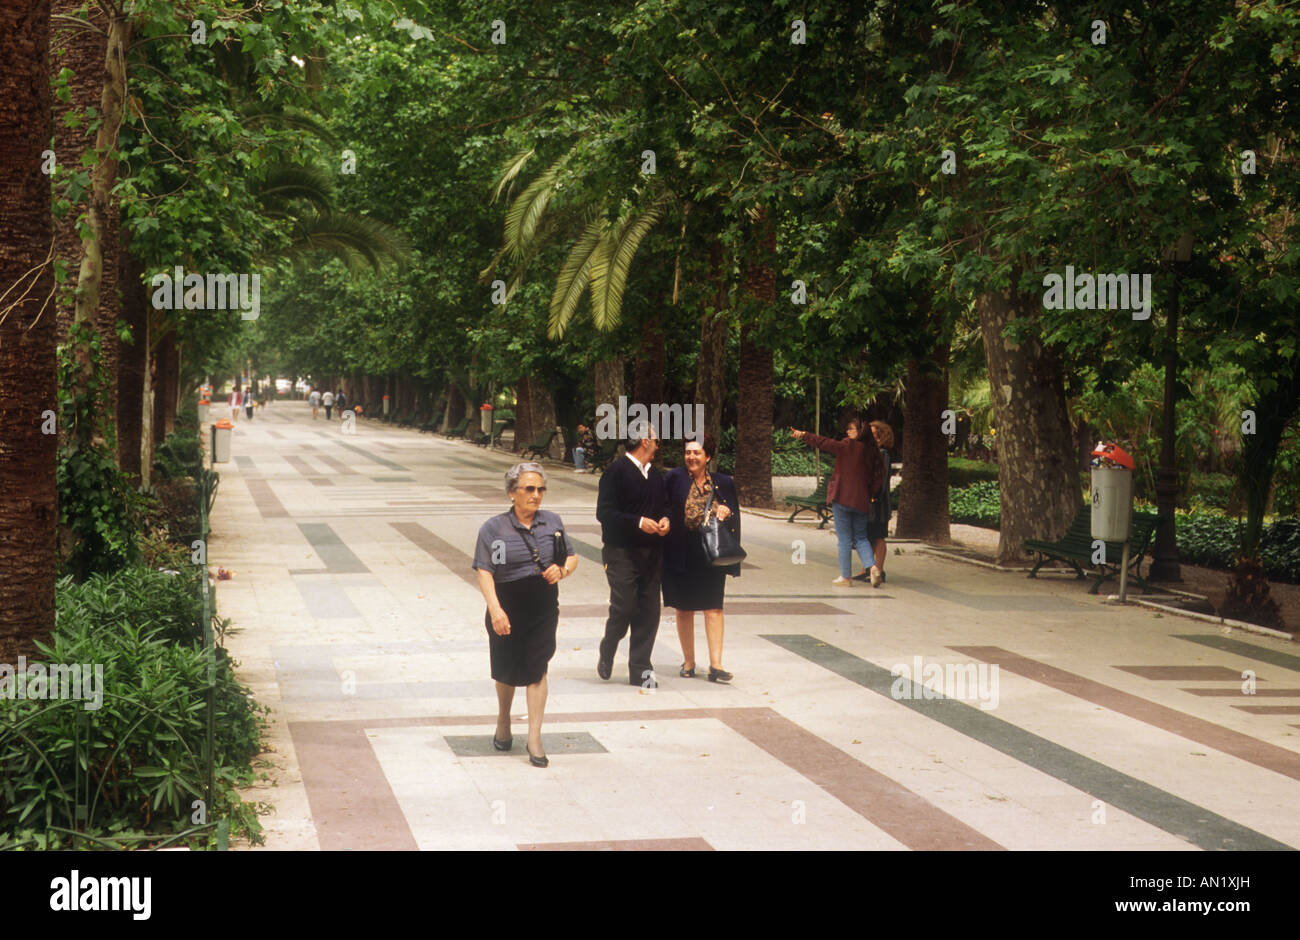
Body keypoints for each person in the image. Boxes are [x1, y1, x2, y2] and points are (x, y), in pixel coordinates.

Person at [472, 462, 577, 768]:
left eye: (540, 489)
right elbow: (485, 571)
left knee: (537, 667)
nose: (536, 495)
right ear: (511, 493)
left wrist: (563, 570)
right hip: (507, 602)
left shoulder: (552, 522)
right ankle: (504, 719)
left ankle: (534, 736)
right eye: (529, 489)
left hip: (543, 605)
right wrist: (495, 610)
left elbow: (570, 556)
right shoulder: (494, 528)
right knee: (506, 668)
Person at [595, 423, 669, 686]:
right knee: (625, 606)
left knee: (649, 612)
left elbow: (665, 507)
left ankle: (641, 671)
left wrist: (665, 520)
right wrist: (638, 522)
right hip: (621, 552)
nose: (659, 445)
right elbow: (604, 513)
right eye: (656, 440)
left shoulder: (657, 476)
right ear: (644, 442)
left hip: (652, 554)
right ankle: (608, 646)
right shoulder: (615, 472)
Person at [662, 435, 739, 682]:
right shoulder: (674, 478)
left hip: (710, 553)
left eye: (697, 453)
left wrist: (725, 512)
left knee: (713, 608)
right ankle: (689, 661)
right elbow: (663, 506)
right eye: (688, 453)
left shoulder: (723, 482)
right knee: (684, 609)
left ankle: (715, 665)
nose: (691, 457)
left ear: (708, 457)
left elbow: (734, 519)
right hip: (681, 551)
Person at [791, 415, 884, 587]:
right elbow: (878, 480)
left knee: (844, 539)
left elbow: (825, 443)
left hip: (842, 498)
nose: (847, 431)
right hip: (861, 501)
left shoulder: (848, 445)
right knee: (861, 538)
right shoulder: (872, 452)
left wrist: (804, 434)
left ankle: (845, 577)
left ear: (860, 431)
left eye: (851, 428)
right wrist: (867, 493)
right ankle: (872, 567)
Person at [856, 421, 895, 583]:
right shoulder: (870, 453)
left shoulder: (883, 454)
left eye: (873, 434)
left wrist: (874, 496)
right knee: (869, 536)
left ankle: (878, 569)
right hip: (867, 501)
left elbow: (882, 480)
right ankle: (867, 568)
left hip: (877, 503)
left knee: (878, 536)